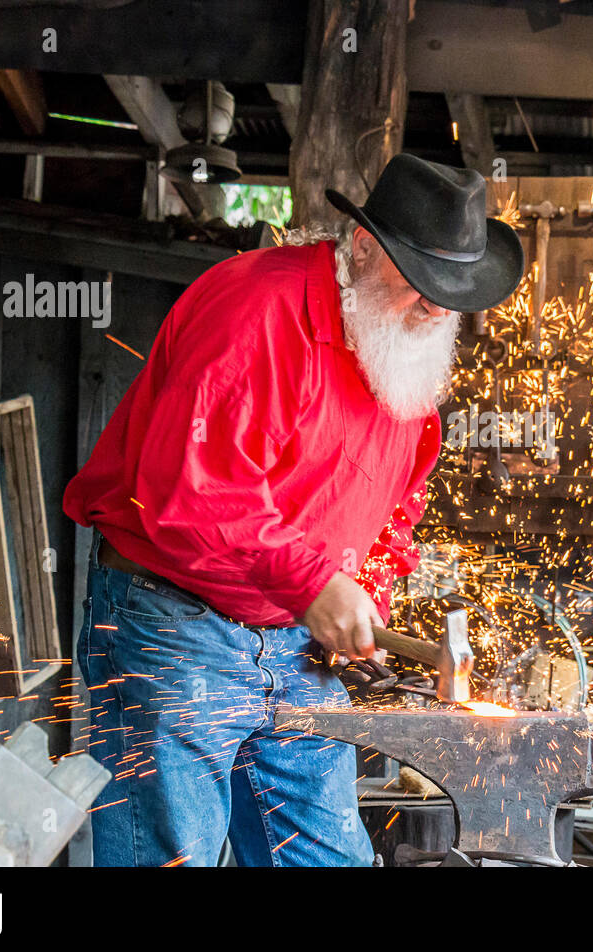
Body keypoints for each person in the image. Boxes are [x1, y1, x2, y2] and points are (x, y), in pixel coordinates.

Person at [64, 154, 523, 866]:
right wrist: (314, 585)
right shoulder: (254, 311)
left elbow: (396, 503)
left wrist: (366, 594)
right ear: (364, 247)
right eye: (423, 282)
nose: (438, 307)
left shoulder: (404, 347)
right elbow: (191, 491)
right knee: (169, 856)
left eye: (454, 291)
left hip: (297, 646)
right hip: (176, 628)